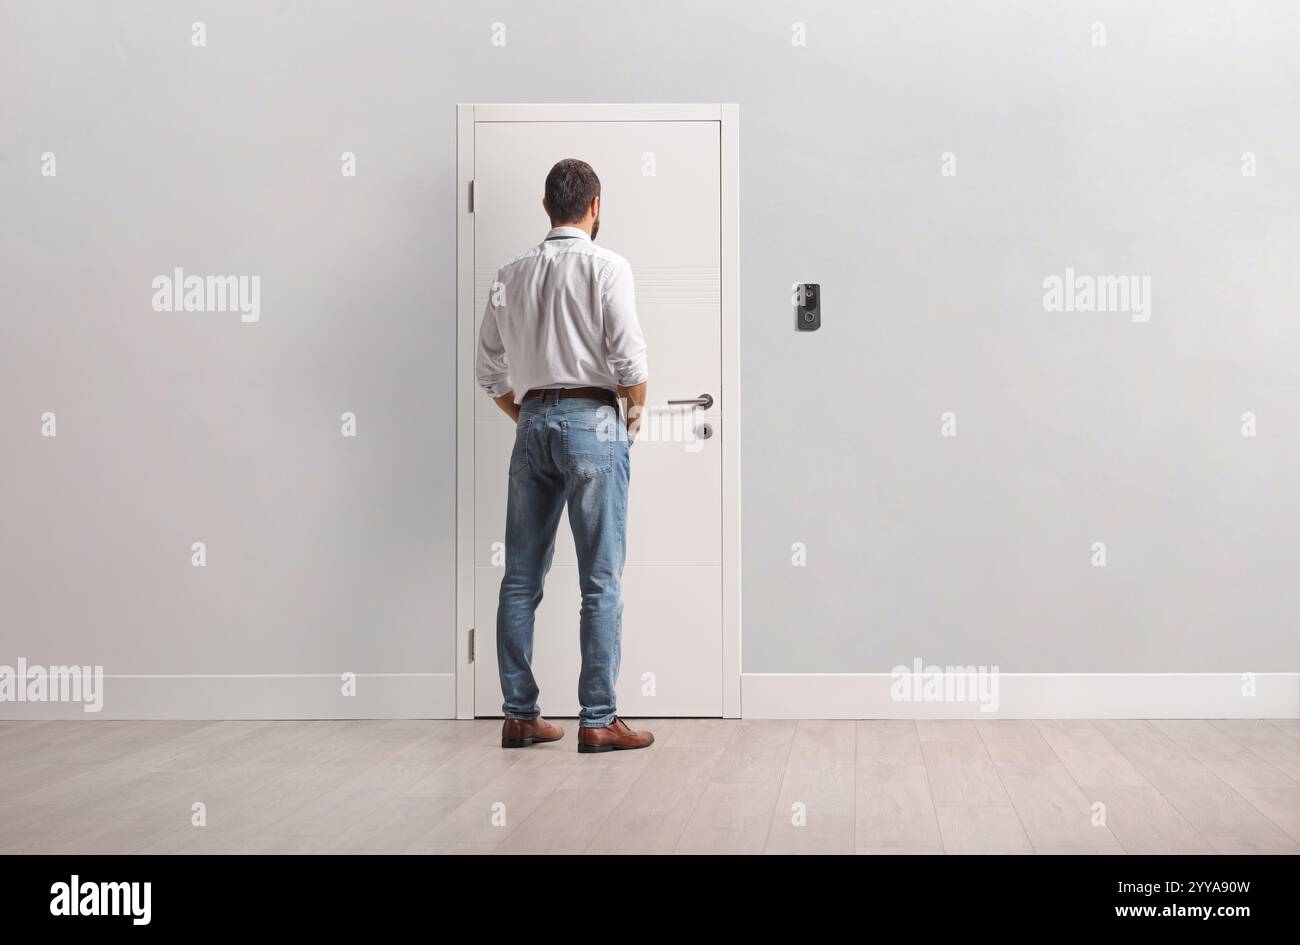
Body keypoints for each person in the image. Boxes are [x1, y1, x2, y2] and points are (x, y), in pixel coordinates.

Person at [475, 158, 655, 754]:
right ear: (595, 205)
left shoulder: (510, 272)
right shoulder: (609, 266)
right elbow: (630, 364)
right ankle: (598, 719)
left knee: (521, 576)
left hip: (532, 424)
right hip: (593, 422)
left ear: (546, 205)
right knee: (600, 578)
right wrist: (628, 421)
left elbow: (489, 370)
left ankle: (520, 715)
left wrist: (528, 418)